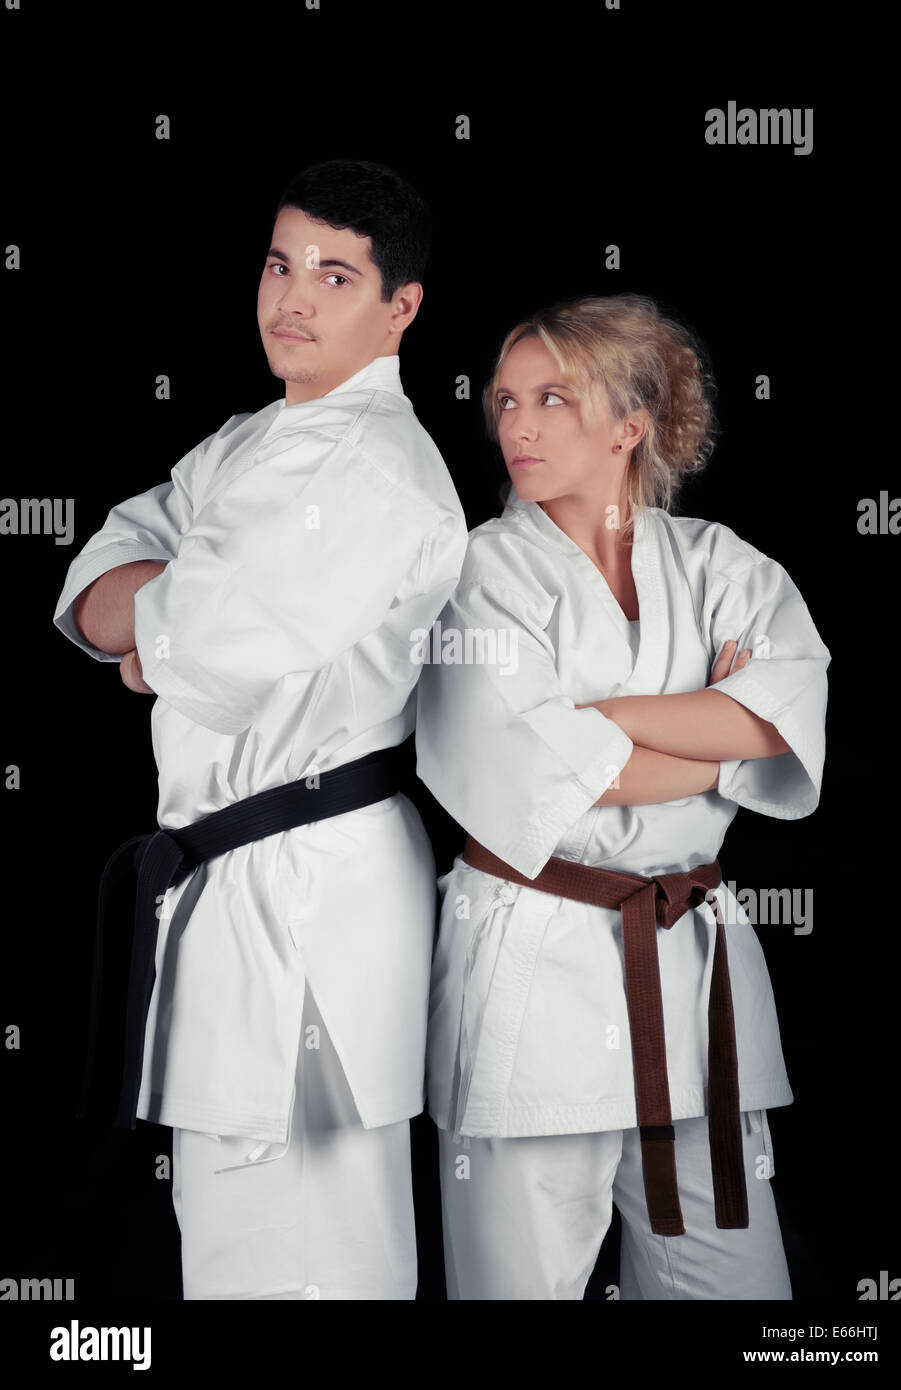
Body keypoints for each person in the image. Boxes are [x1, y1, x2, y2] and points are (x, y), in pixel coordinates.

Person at [53, 159, 467, 1300]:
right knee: (238, 1242)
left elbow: (206, 645)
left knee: (309, 1257)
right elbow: (99, 573)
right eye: (282, 263)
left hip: (305, 892)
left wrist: (165, 625)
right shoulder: (244, 441)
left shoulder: (375, 464)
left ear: (401, 306)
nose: (293, 297)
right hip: (238, 882)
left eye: (335, 275)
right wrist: (153, 623)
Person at [415, 293, 830, 1300]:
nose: (515, 424)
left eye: (552, 397)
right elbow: (529, 771)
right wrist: (711, 726)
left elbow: (783, 718)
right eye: (504, 399)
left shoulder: (720, 564)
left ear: (631, 421)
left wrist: (596, 716)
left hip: (694, 984)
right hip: (531, 972)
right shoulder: (475, 575)